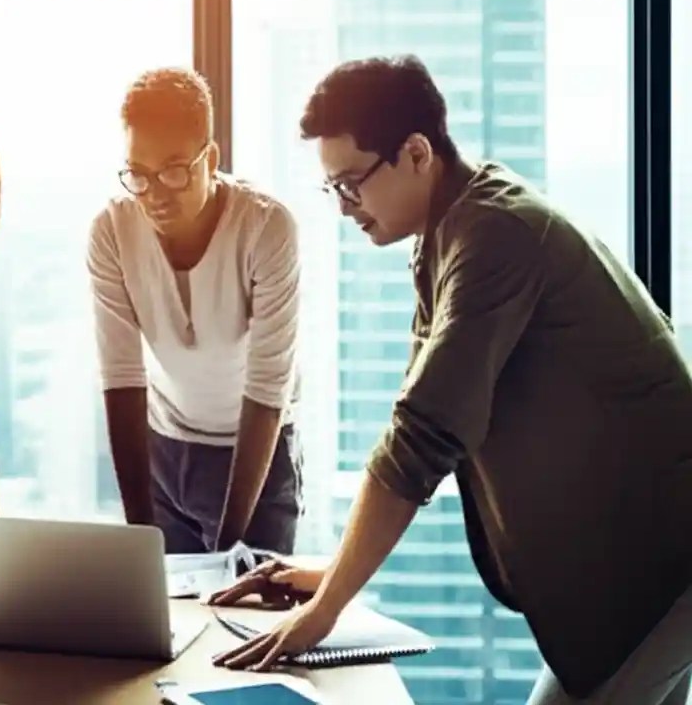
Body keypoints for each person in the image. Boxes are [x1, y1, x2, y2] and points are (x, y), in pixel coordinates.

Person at [209, 55, 692, 705]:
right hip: (640, 556)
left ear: (416, 153)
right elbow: (415, 422)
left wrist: (324, 612)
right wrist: (332, 577)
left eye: (351, 184)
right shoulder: (450, 233)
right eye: (333, 190)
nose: (344, 208)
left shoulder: (494, 234)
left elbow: (420, 440)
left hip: (662, 554)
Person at [88, 66, 303, 555]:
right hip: (164, 449)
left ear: (212, 158)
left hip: (256, 455)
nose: (155, 194)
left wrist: (229, 550)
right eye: (139, 175)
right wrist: (140, 543)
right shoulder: (112, 230)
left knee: (248, 598)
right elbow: (122, 379)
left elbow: (268, 389)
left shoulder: (266, 227)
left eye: (174, 171)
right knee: (163, 598)